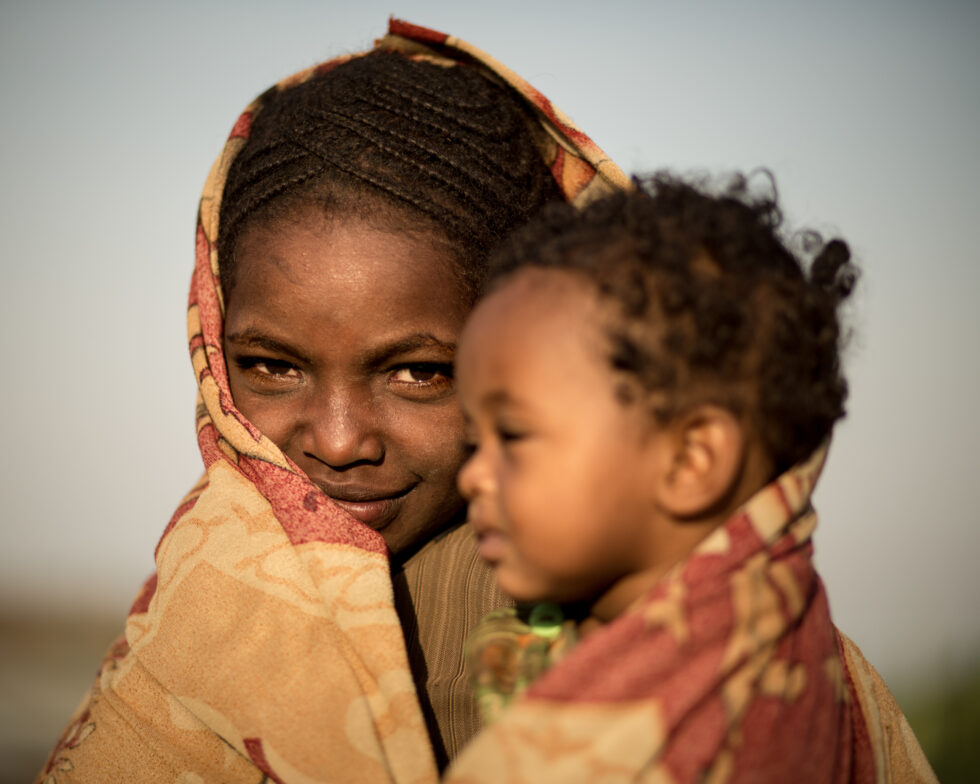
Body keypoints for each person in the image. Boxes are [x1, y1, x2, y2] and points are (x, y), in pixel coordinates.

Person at [36, 19, 628, 784]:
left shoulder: (606, 633)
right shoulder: (203, 592)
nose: (341, 443)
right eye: (273, 367)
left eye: (419, 373)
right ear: (216, 350)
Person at [447, 174, 937, 782]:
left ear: (690, 462)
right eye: (473, 443)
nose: (472, 476)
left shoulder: (691, 731)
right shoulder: (777, 618)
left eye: (513, 436)